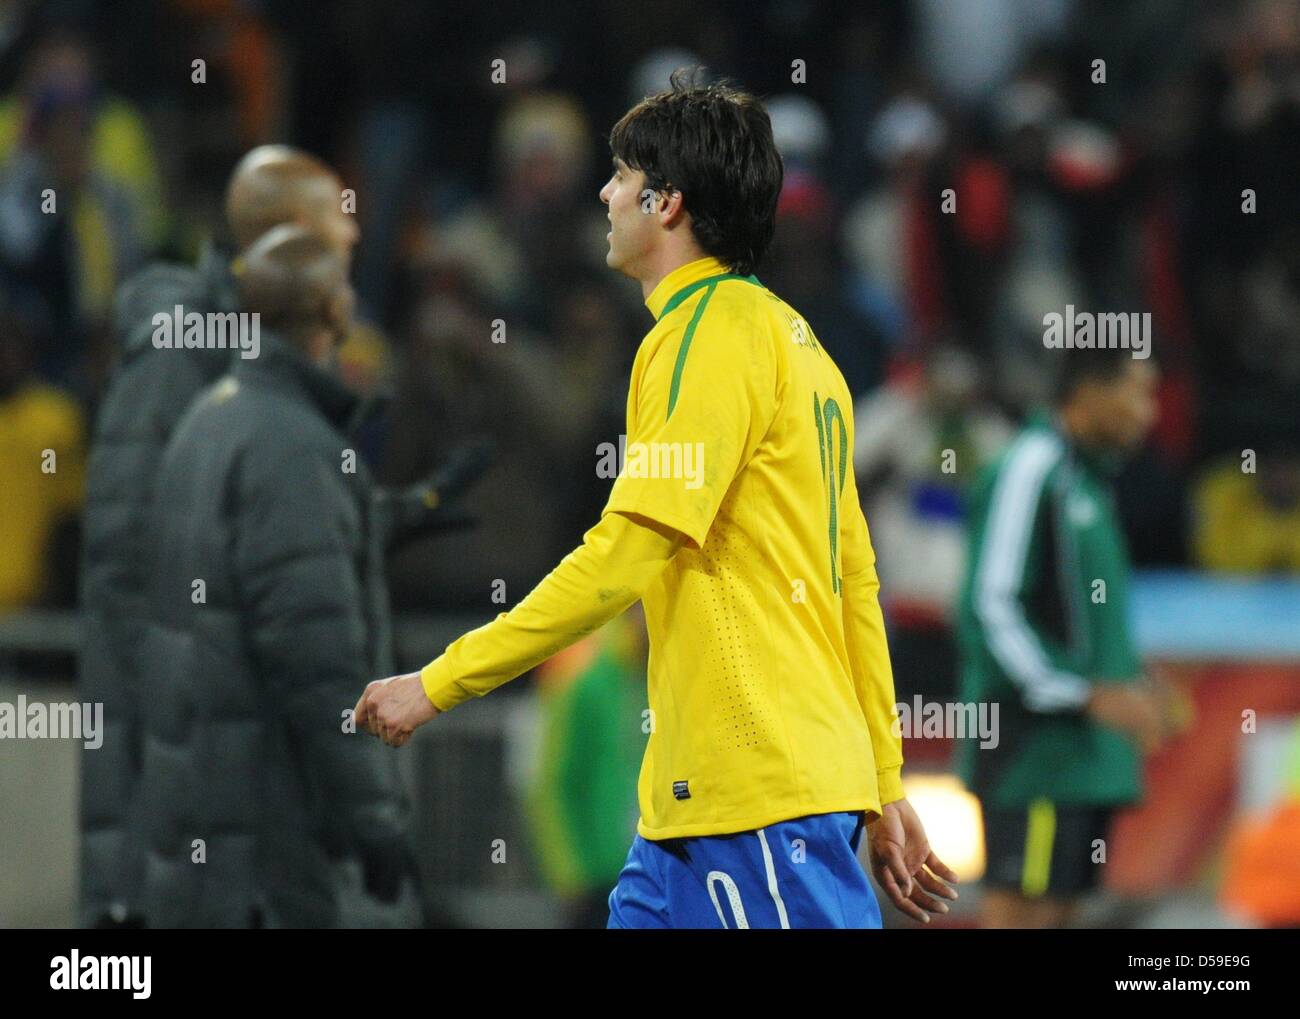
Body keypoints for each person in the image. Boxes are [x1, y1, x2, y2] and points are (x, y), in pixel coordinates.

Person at [356, 69, 957, 929]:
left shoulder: (700, 336)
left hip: (752, 802)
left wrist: (440, 681)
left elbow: (626, 552)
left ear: (667, 202)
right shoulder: (802, 347)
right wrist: (881, 780)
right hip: (691, 816)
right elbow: (850, 580)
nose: (604, 194)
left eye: (622, 176)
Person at [78, 144, 358, 928]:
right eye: (339, 222)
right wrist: (134, 862)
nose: (351, 240)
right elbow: (138, 607)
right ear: (289, 235)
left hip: (231, 798)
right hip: (176, 802)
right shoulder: (173, 365)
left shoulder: (251, 360)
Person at [132, 225, 416, 928]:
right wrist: (374, 816)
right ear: (331, 310)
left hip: (200, 823)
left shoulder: (208, 420)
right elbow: (318, 668)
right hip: (269, 842)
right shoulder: (292, 447)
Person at [955, 346, 1181, 928]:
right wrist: (1085, 694)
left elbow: (1078, 615)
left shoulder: (1087, 479)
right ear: (1088, 391)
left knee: (1060, 914)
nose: (1149, 412)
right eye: (1137, 391)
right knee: (1020, 913)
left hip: (1083, 753)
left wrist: (1137, 682)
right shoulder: (1030, 467)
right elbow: (991, 605)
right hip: (1034, 748)